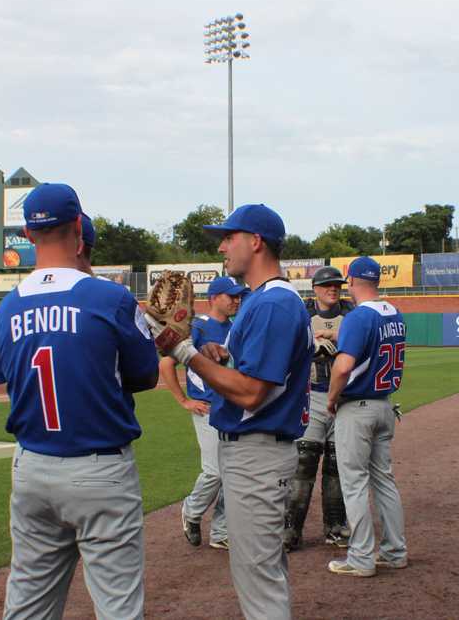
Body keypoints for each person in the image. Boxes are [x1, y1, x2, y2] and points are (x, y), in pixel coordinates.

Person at [0, 183, 159, 620]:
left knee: (26, 605)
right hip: (98, 469)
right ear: (78, 227)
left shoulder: (5, 310)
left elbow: (9, 377)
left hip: (30, 468)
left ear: (27, 234)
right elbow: (145, 375)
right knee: (118, 607)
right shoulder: (110, 298)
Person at [158, 204, 312, 620]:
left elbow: (250, 394)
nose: (223, 246)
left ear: (256, 242)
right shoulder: (266, 300)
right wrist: (220, 358)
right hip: (255, 451)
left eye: (230, 237)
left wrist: (184, 351)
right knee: (261, 570)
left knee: (258, 579)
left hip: (257, 453)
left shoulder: (273, 303)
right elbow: (248, 377)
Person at [323, 256, 408, 577]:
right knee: (384, 481)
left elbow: (344, 367)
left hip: (356, 408)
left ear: (351, 280)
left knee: (355, 483)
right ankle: (395, 551)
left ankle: (360, 558)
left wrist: (331, 399)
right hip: (385, 404)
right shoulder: (394, 312)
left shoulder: (358, 316)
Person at [159, 275, 246, 550]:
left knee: (230, 474)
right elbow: (166, 365)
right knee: (214, 471)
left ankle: (220, 531)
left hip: (230, 408)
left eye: (237, 295)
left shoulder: (235, 327)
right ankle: (192, 510)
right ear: (213, 298)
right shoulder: (197, 327)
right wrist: (184, 401)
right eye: (230, 295)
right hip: (206, 407)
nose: (236, 300)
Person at [284, 265, 354, 551]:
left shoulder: (351, 314)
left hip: (343, 398)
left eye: (337, 284)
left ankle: (335, 526)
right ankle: (291, 529)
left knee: (337, 466)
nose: (333, 289)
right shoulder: (303, 314)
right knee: (304, 465)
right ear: (315, 289)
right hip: (312, 396)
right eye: (327, 285)